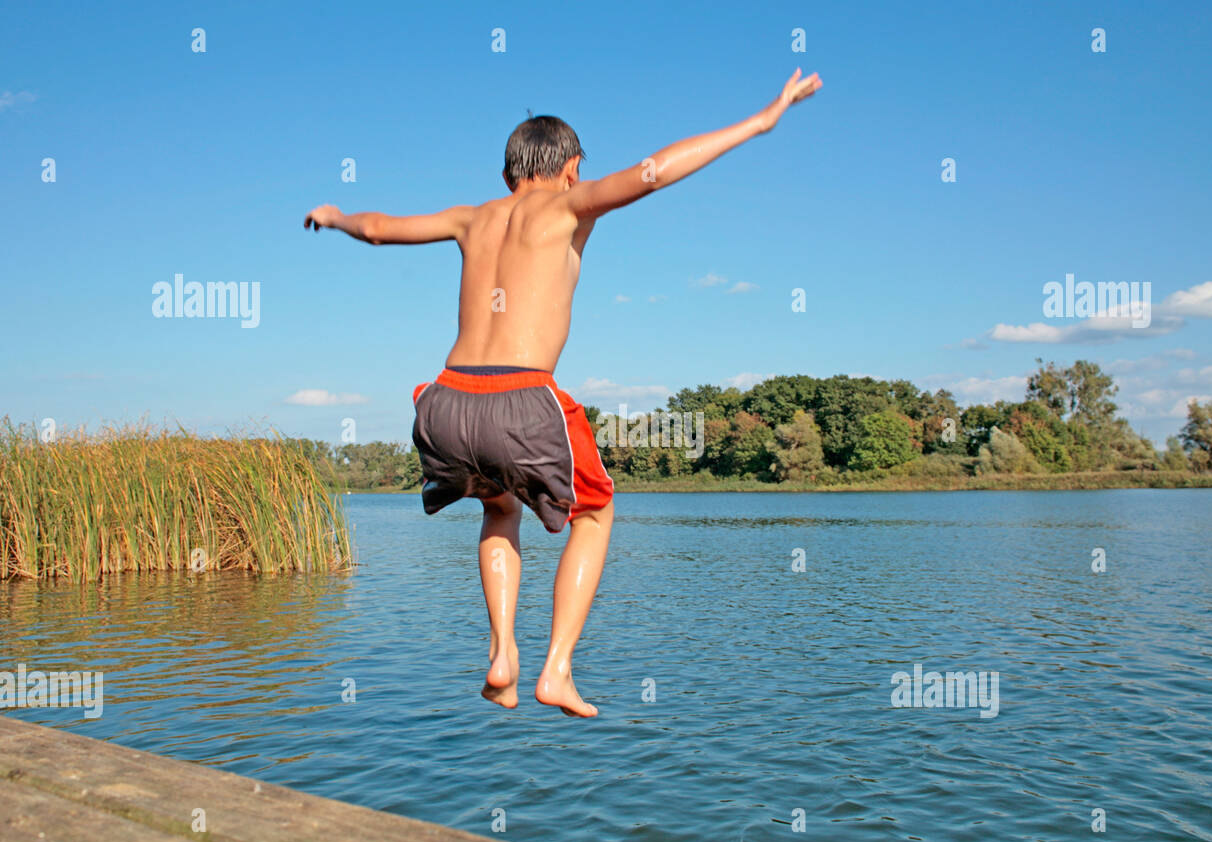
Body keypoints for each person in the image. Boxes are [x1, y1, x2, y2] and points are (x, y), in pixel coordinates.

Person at [304, 68, 823, 716]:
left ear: (506, 175)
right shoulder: (572, 204)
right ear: (572, 169)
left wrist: (335, 216)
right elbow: (656, 170)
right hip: (521, 397)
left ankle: (502, 655)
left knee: (499, 510)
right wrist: (763, 118)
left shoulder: (472, 217)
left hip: (444, 402)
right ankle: (556, 669)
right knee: (597, 513)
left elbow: (380, 227)